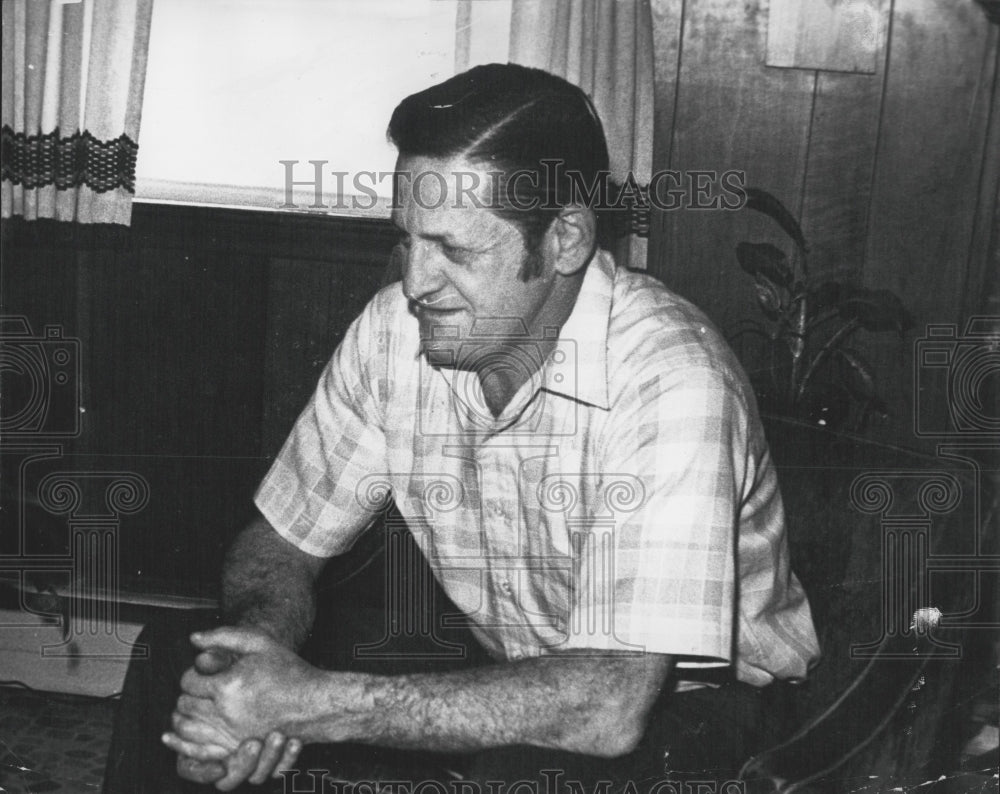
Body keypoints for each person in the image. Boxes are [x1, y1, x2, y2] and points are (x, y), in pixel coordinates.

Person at [104, 63, 819, 793]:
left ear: (566, 238)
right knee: (179, 658)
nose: (415, 281)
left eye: (455, 250)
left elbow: (609, 704)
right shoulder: (395, 332)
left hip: (708, 712)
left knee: (526, 772)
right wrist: (254, 666)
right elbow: (277, 541)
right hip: (530, 669)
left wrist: (310, 705)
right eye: (409, 240)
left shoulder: (672, 378)